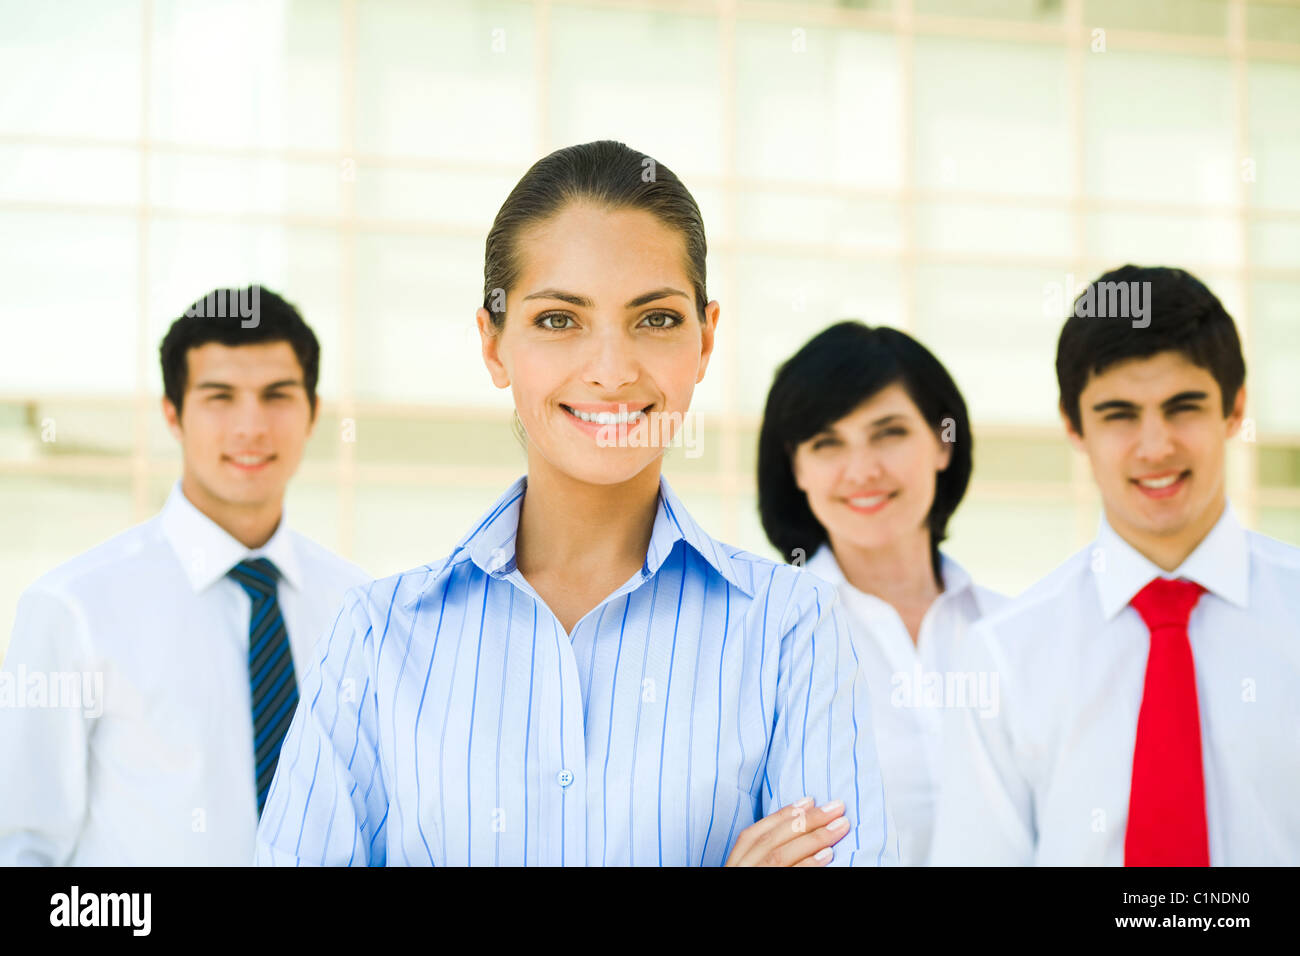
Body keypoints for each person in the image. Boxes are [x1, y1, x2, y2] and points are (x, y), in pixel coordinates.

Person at [255, 140, 897, 867]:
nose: (612, 371)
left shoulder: (792, 631)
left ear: (705, 339)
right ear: (493, 344)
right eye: (560, 320)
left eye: (654, 319)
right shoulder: (377, 638)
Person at [930, 265, 1300, 866]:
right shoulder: (1005, 655)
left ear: (1235, 410)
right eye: (1119, 414)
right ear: (1074, 425)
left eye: (1184, 407)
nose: (1155, 446)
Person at [0, 286, 369, 865]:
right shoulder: (74, 608)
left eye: (277, 395)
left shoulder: (359, 609)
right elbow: (22, 846)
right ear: (173, 414)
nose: (251, 427)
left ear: (313, 412)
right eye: (219, 397)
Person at [757, 321, 1005, 865]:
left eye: (889, 432)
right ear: (796, 468)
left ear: (944, 443)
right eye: (827, 443)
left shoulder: (1018, 632)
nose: (862, 470)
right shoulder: (759, 641)